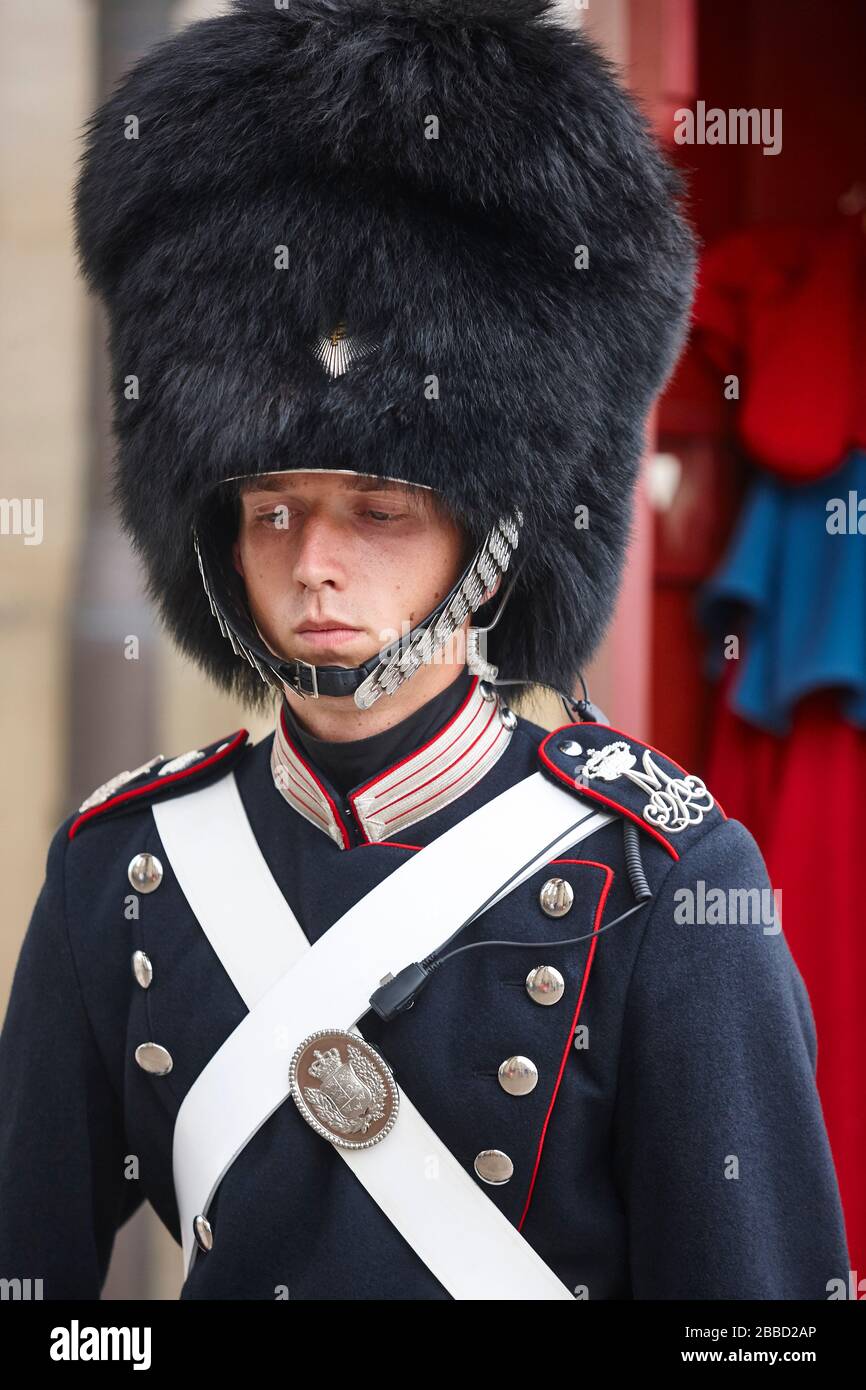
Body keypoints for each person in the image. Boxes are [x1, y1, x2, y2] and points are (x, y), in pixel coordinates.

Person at [0, 0, 849, 1301]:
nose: (316, 561)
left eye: (381, 511)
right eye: (272, 508)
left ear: (494, 528)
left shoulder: (664, 879)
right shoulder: (123, 865)